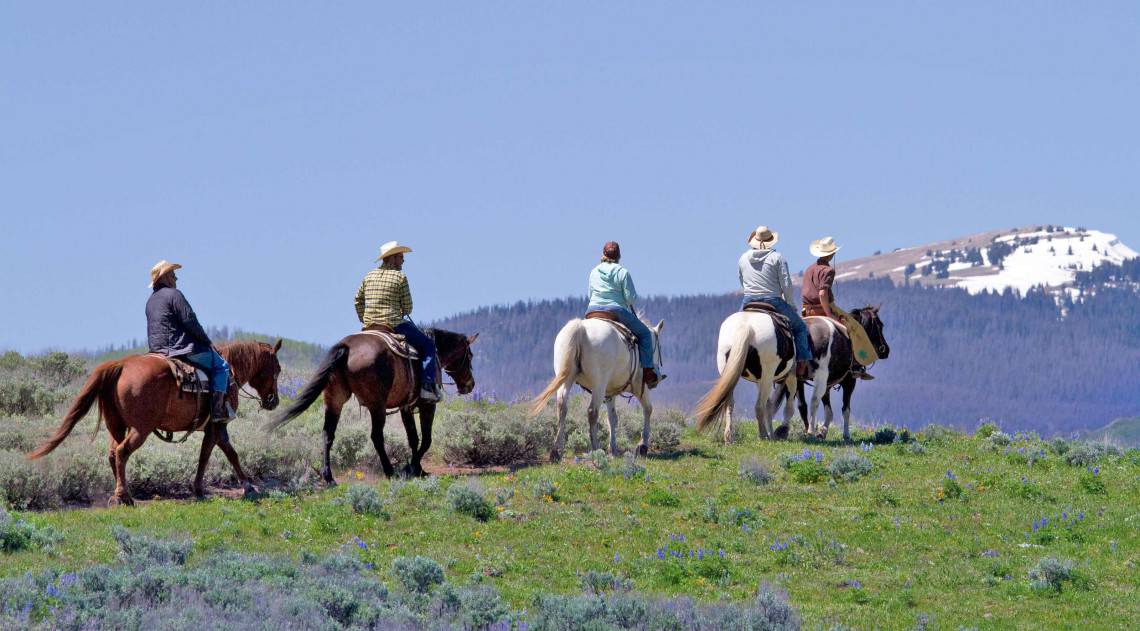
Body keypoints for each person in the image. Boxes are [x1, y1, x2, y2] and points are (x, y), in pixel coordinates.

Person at [145, 260, 234, 422]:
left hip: (157, 351)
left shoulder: (151, 301)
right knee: (222, 367)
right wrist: (207, 342)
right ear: (165, 277)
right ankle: (218, 410)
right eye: (173, 274)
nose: (176, 279)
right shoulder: (175, 295)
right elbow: (190, 321)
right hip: (181, 350)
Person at [354, 241, 441, 403]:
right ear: (392, 258)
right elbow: (408, 308)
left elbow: (358, 300)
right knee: (429, 346)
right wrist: (400, 308)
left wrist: (364, 317)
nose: (403, 260)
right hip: (393, 324)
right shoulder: (400, 277)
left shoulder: (369, 276)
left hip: (369, 327)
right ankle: (427, 387)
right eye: (400, 256)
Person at [738, 226, 814, 378]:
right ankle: (802, 365)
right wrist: (791, 304)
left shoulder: (743, 258)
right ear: (770, 241)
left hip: (748, 300)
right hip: (773, 300)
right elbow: (786, 284)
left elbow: (742, 280)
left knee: (738, 329)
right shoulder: (777, 258)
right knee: (800, 328)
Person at [586, 241, 664, 388]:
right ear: (619, 256)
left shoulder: (594, 271)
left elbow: (590, 295)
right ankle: (648, 372)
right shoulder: (622, 272)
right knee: (645, 334)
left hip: (593, 310)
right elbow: (630, 298)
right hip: (615, 311)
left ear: (603, 255)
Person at [801, 236, 876, 380]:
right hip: (823, 308)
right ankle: (856, 366)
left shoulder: (809, 269)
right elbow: (822, 293)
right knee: (854, 328)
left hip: (806, 311)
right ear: (831, 254)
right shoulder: (828, 270)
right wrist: (829, 314)